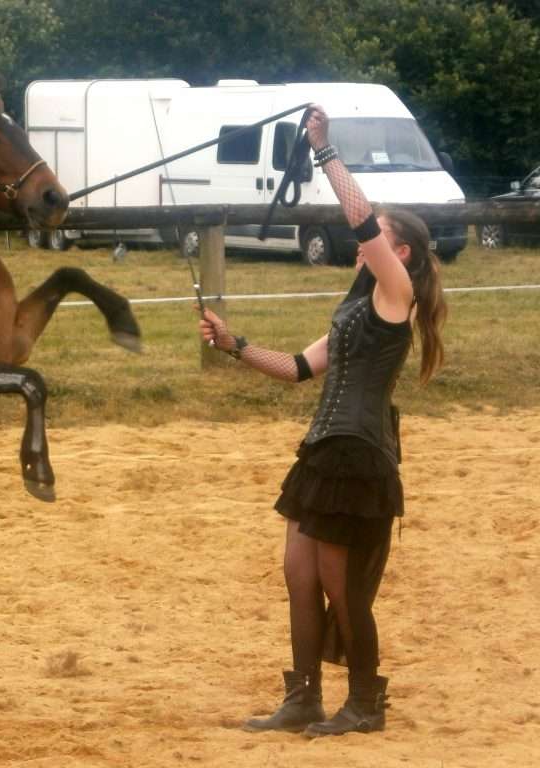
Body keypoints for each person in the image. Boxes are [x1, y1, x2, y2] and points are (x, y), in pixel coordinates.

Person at [200, 105, 447, 737]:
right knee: (300, 578)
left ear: (401, 252)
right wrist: (233, 345)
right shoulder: (355, 309)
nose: (364, 243)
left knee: (343, 586)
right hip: (321, 454)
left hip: (357, 459)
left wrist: (323, 150)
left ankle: (364, 704)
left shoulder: (398, 296)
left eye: (378, 238)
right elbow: (297, 369)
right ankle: (304, 697)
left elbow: (361, 221)